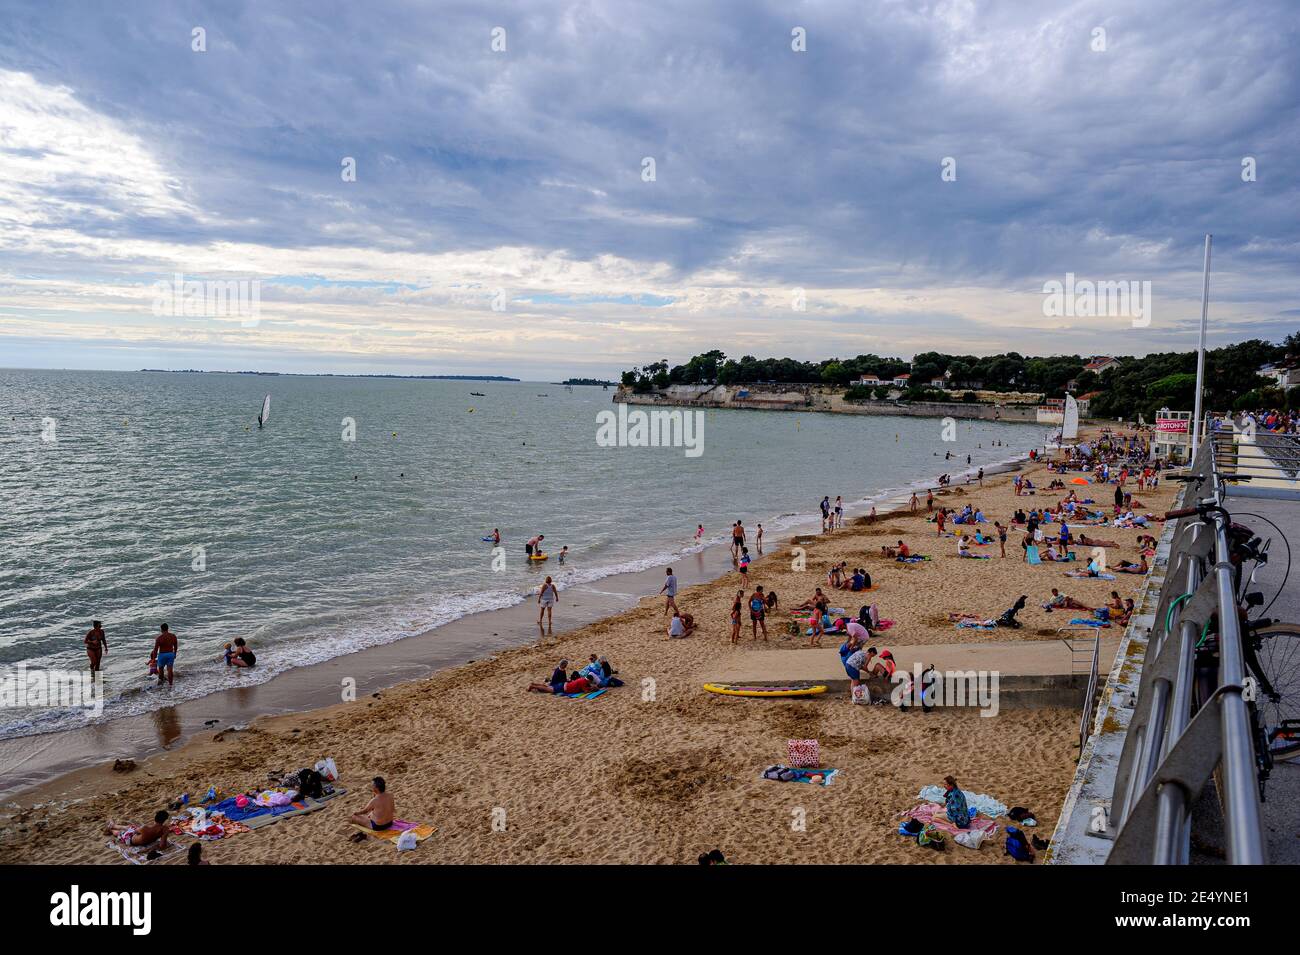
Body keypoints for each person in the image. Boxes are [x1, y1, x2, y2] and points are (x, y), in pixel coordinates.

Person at [106, 810, 170, 849]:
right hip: (137, 840)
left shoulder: (145, 828)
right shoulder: (165, 830)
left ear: (155, 818)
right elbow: (162, 845)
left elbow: (135, 832)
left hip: (130, 840)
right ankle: (113, 825)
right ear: (164, 820)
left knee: (121, 832)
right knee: (130, 827)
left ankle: (111, 829)